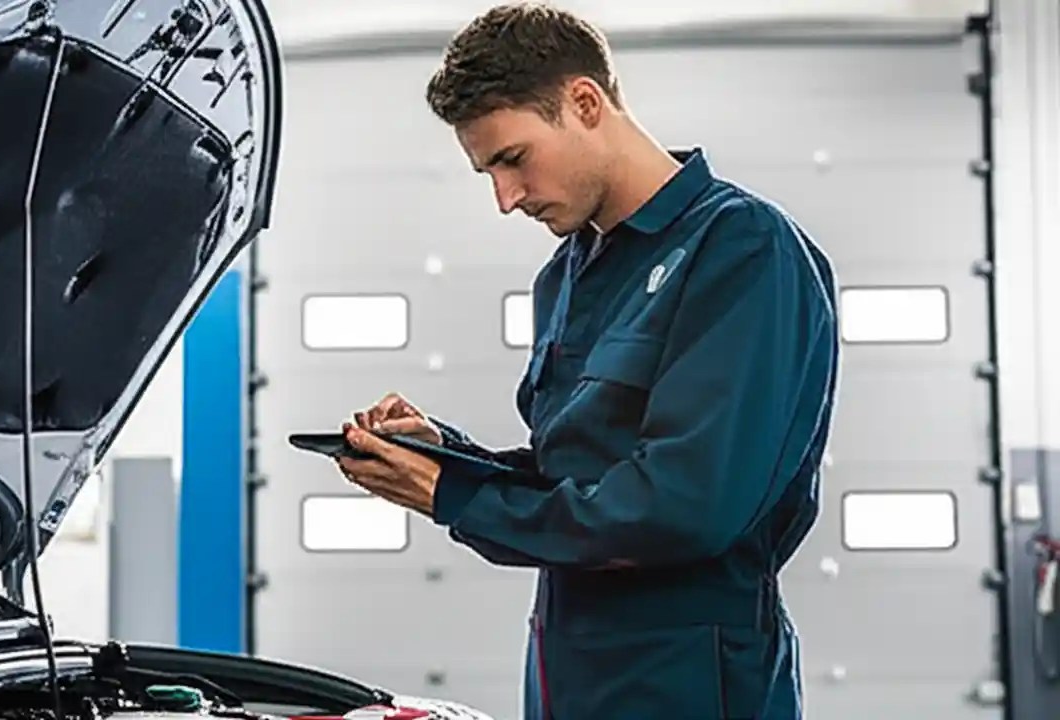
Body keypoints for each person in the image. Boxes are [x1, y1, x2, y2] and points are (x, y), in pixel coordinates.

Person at [334, 3, 840, 718]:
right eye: (488, 173)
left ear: (584, 102)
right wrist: (449, 458)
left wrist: (456, 496)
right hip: (565, 670)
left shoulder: (744, 249)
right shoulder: (567, 275)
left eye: (512, 159)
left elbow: (682, 508)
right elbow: (575, 474)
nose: (506, 199)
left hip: (688, 682)